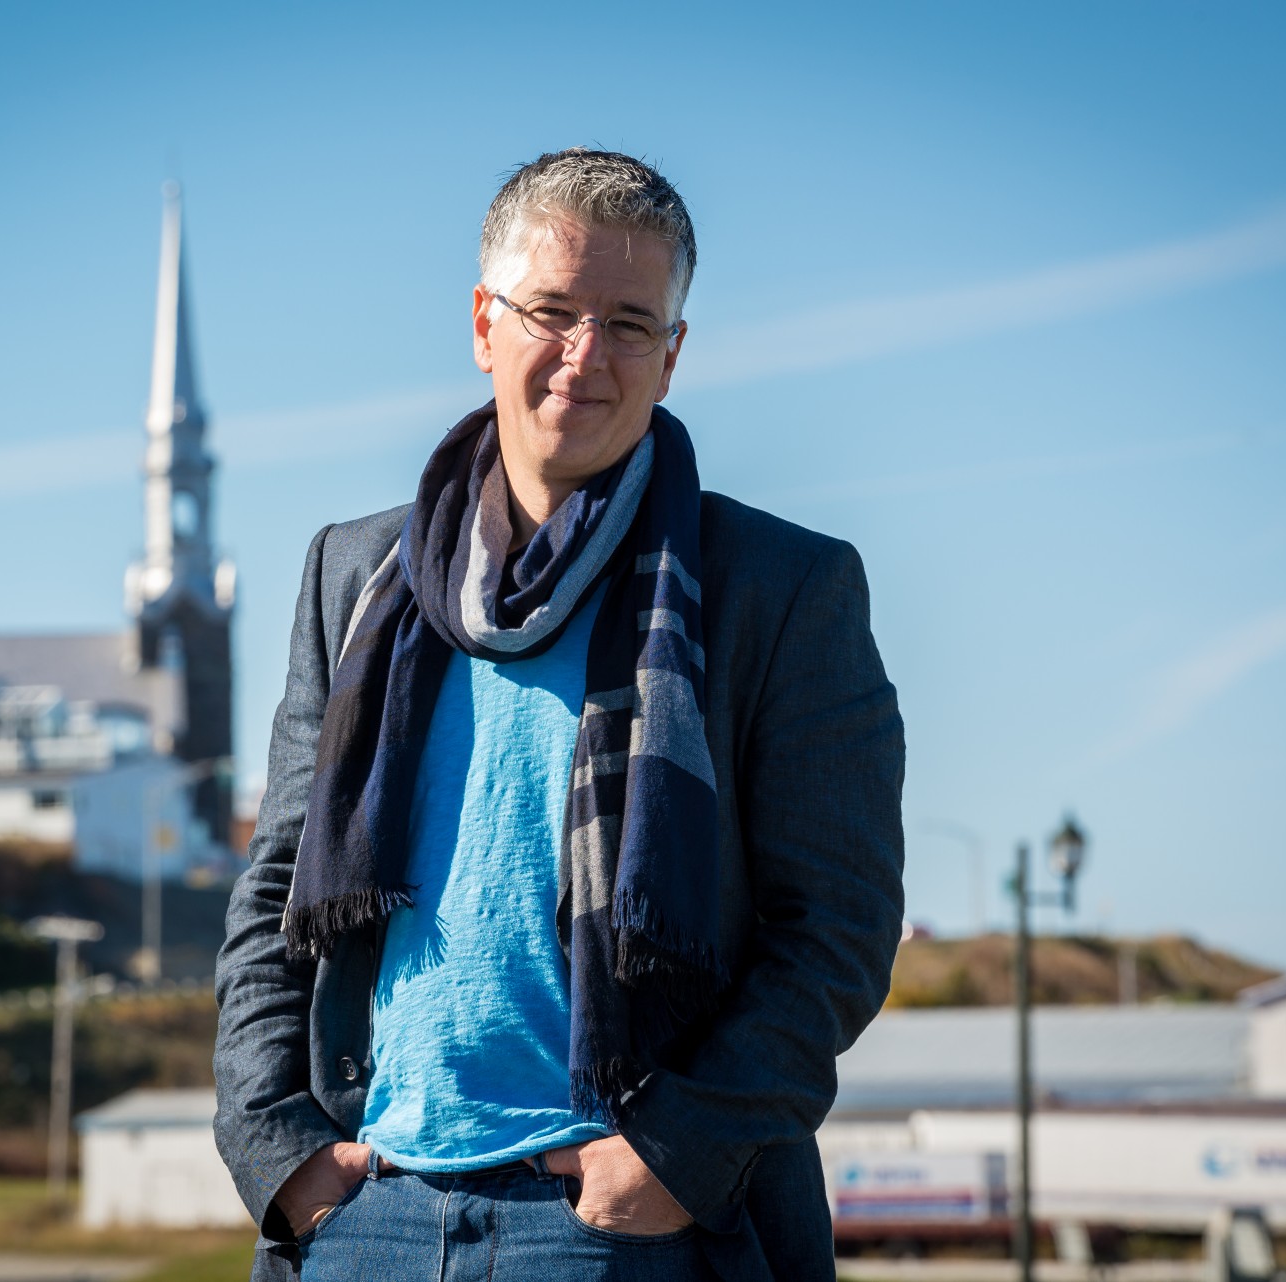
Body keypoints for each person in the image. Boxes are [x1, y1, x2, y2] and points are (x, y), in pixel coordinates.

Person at [214, 147, 905, 1282]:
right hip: (365, 1213)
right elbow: (275, 896)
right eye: (553, 311)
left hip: (616, 1227)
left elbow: (837, 929)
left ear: (672, 355)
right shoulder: (356, 575)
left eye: (631, 322)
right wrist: (278, 1154)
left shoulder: (777, 590)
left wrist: (672, 1159)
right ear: (486, 324)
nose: (587, 355)